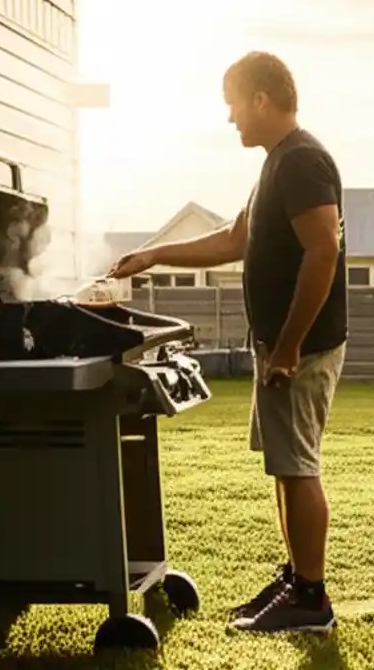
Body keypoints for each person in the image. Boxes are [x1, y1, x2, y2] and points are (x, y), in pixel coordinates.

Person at [108, 51, 347, 634]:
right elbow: (235, 239)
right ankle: (296, 578)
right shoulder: (276, 164)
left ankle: (311, 599)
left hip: (303, 347)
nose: (231, 119)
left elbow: (324, 252)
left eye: (234, 105)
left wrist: (289, 346)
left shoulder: (303, 162)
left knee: (299, 466)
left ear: (261, 100)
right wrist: (156, 254)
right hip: (280, 346)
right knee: (284, 466)